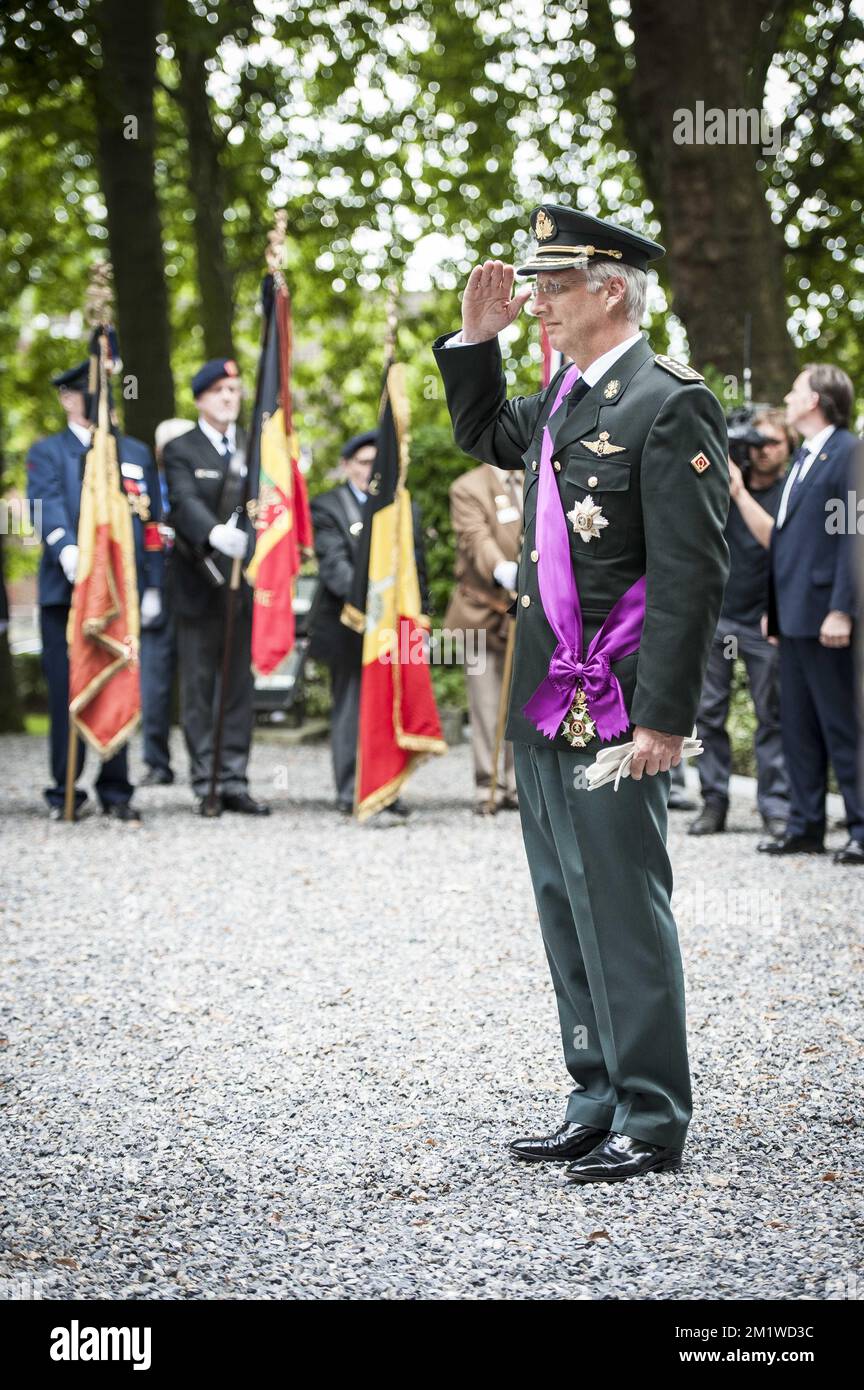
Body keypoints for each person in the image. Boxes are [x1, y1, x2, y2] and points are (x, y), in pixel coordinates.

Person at [433, 205, 730, 1183]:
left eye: (552, 288)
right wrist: (477, 343)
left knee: (624, 903)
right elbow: (482, 431)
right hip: (547, 688)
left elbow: (691, 571)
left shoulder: (668, 398)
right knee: (565, 898)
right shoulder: (564, 396)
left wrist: (666, 716)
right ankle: (594, 1093)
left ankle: (652, 1113)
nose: (537, 304)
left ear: (611, 290)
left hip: (622, 695)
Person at [26, 362, 162, 821]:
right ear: (68, 398)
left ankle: (117, 789)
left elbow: (152, 523)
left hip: (123, 596)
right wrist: (66, 548)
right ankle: (66, 789)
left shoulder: (135, 452)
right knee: (70, 689)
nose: (103, 398)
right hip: (66, 596)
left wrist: (154, 584)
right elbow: (43, 503)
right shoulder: (48, 452)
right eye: (90, 392)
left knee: (118, 684)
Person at [759, 365, 862, 864]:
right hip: (794, 617)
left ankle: (861, 827)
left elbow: (854, 538)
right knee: (797, 726)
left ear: (818, 399)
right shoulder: (802, 458)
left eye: (796, 389)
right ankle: (805, 826)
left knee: (842, 726)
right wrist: (772, 612)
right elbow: (787, 543)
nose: (788, 394)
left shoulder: (848, 453)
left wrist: (843, 608)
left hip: (828, 618)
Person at [163, 358, 269, 816]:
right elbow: (183, 502)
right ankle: (205, 780)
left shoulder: (253, 446)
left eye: (235, 390)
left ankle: (233, 779)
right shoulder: (181, 448)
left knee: (238, 687)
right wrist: (212, 533)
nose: (230, 398)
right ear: (201, 398)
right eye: (221, 391)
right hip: (198, 583)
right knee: (201, 687)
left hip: (243, 584)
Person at [309, 430, 430, 816]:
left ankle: (388, 788)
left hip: (399, 626)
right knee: (351, 707)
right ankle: (350, 789)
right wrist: (379, 608)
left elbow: (417, 569)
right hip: (351, 626)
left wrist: (420, 620)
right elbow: (335, 569)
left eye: (377, 464)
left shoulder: (403, 507)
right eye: (363, 463)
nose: (371, 471)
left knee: (392, 705)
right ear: (346, 466)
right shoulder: (328, 506)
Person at [689, 408, 793, 836]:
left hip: (765, 620)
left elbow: (782, 544)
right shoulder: (718, 485)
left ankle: (776, 806)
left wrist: (740, 494)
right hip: (716, 616)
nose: (762, 451)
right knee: (709, 715)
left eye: (773, 443)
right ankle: (713, 802)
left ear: (788, 448)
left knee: (773, 716)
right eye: (756, 442)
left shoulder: (791, 492)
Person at [445, 460, 522, 812]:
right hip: (481, 612)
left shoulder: (535, 477)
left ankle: (519, 784)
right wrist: (502, 570)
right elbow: (476, 539)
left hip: (525, 611)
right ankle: (486, 784)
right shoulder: (468, 486)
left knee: (524, 701)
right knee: (487, 704)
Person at [138, 418, 194, 786]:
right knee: (154, 687)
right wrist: (150, 589)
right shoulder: (146, 492)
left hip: (194, 596)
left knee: (197, 686)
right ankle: (157, 763)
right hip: (158, 597)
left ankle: (203, 764)